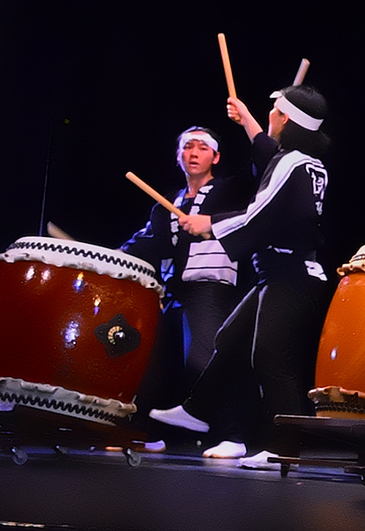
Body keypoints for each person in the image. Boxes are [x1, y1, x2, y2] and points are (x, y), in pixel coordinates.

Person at [149, 87, 333, 470]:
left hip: (290, 273)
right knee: (228, 339)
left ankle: (284, 448)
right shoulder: (305, 161)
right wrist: (246, 117)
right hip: (283, 271)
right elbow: (269, 154)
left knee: (269, 358)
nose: (269, 116)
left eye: (273, 111)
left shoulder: (292, 164)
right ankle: (198, 410)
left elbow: (259, 217)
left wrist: (209, 225)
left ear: (284, 118)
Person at [119, 127, 251, 452]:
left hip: (209, 288)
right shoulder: (166, 206)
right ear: (179, 156)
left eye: (202, 147)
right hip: (175, 291)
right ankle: (146, 434)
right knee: (150, 360)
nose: (193, 152)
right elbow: (146, 243)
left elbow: (254, 198)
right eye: (187, 147)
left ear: (215, 157)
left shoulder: (230, 191)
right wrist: (110, 257)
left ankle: (230, 436)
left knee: (203, 358)